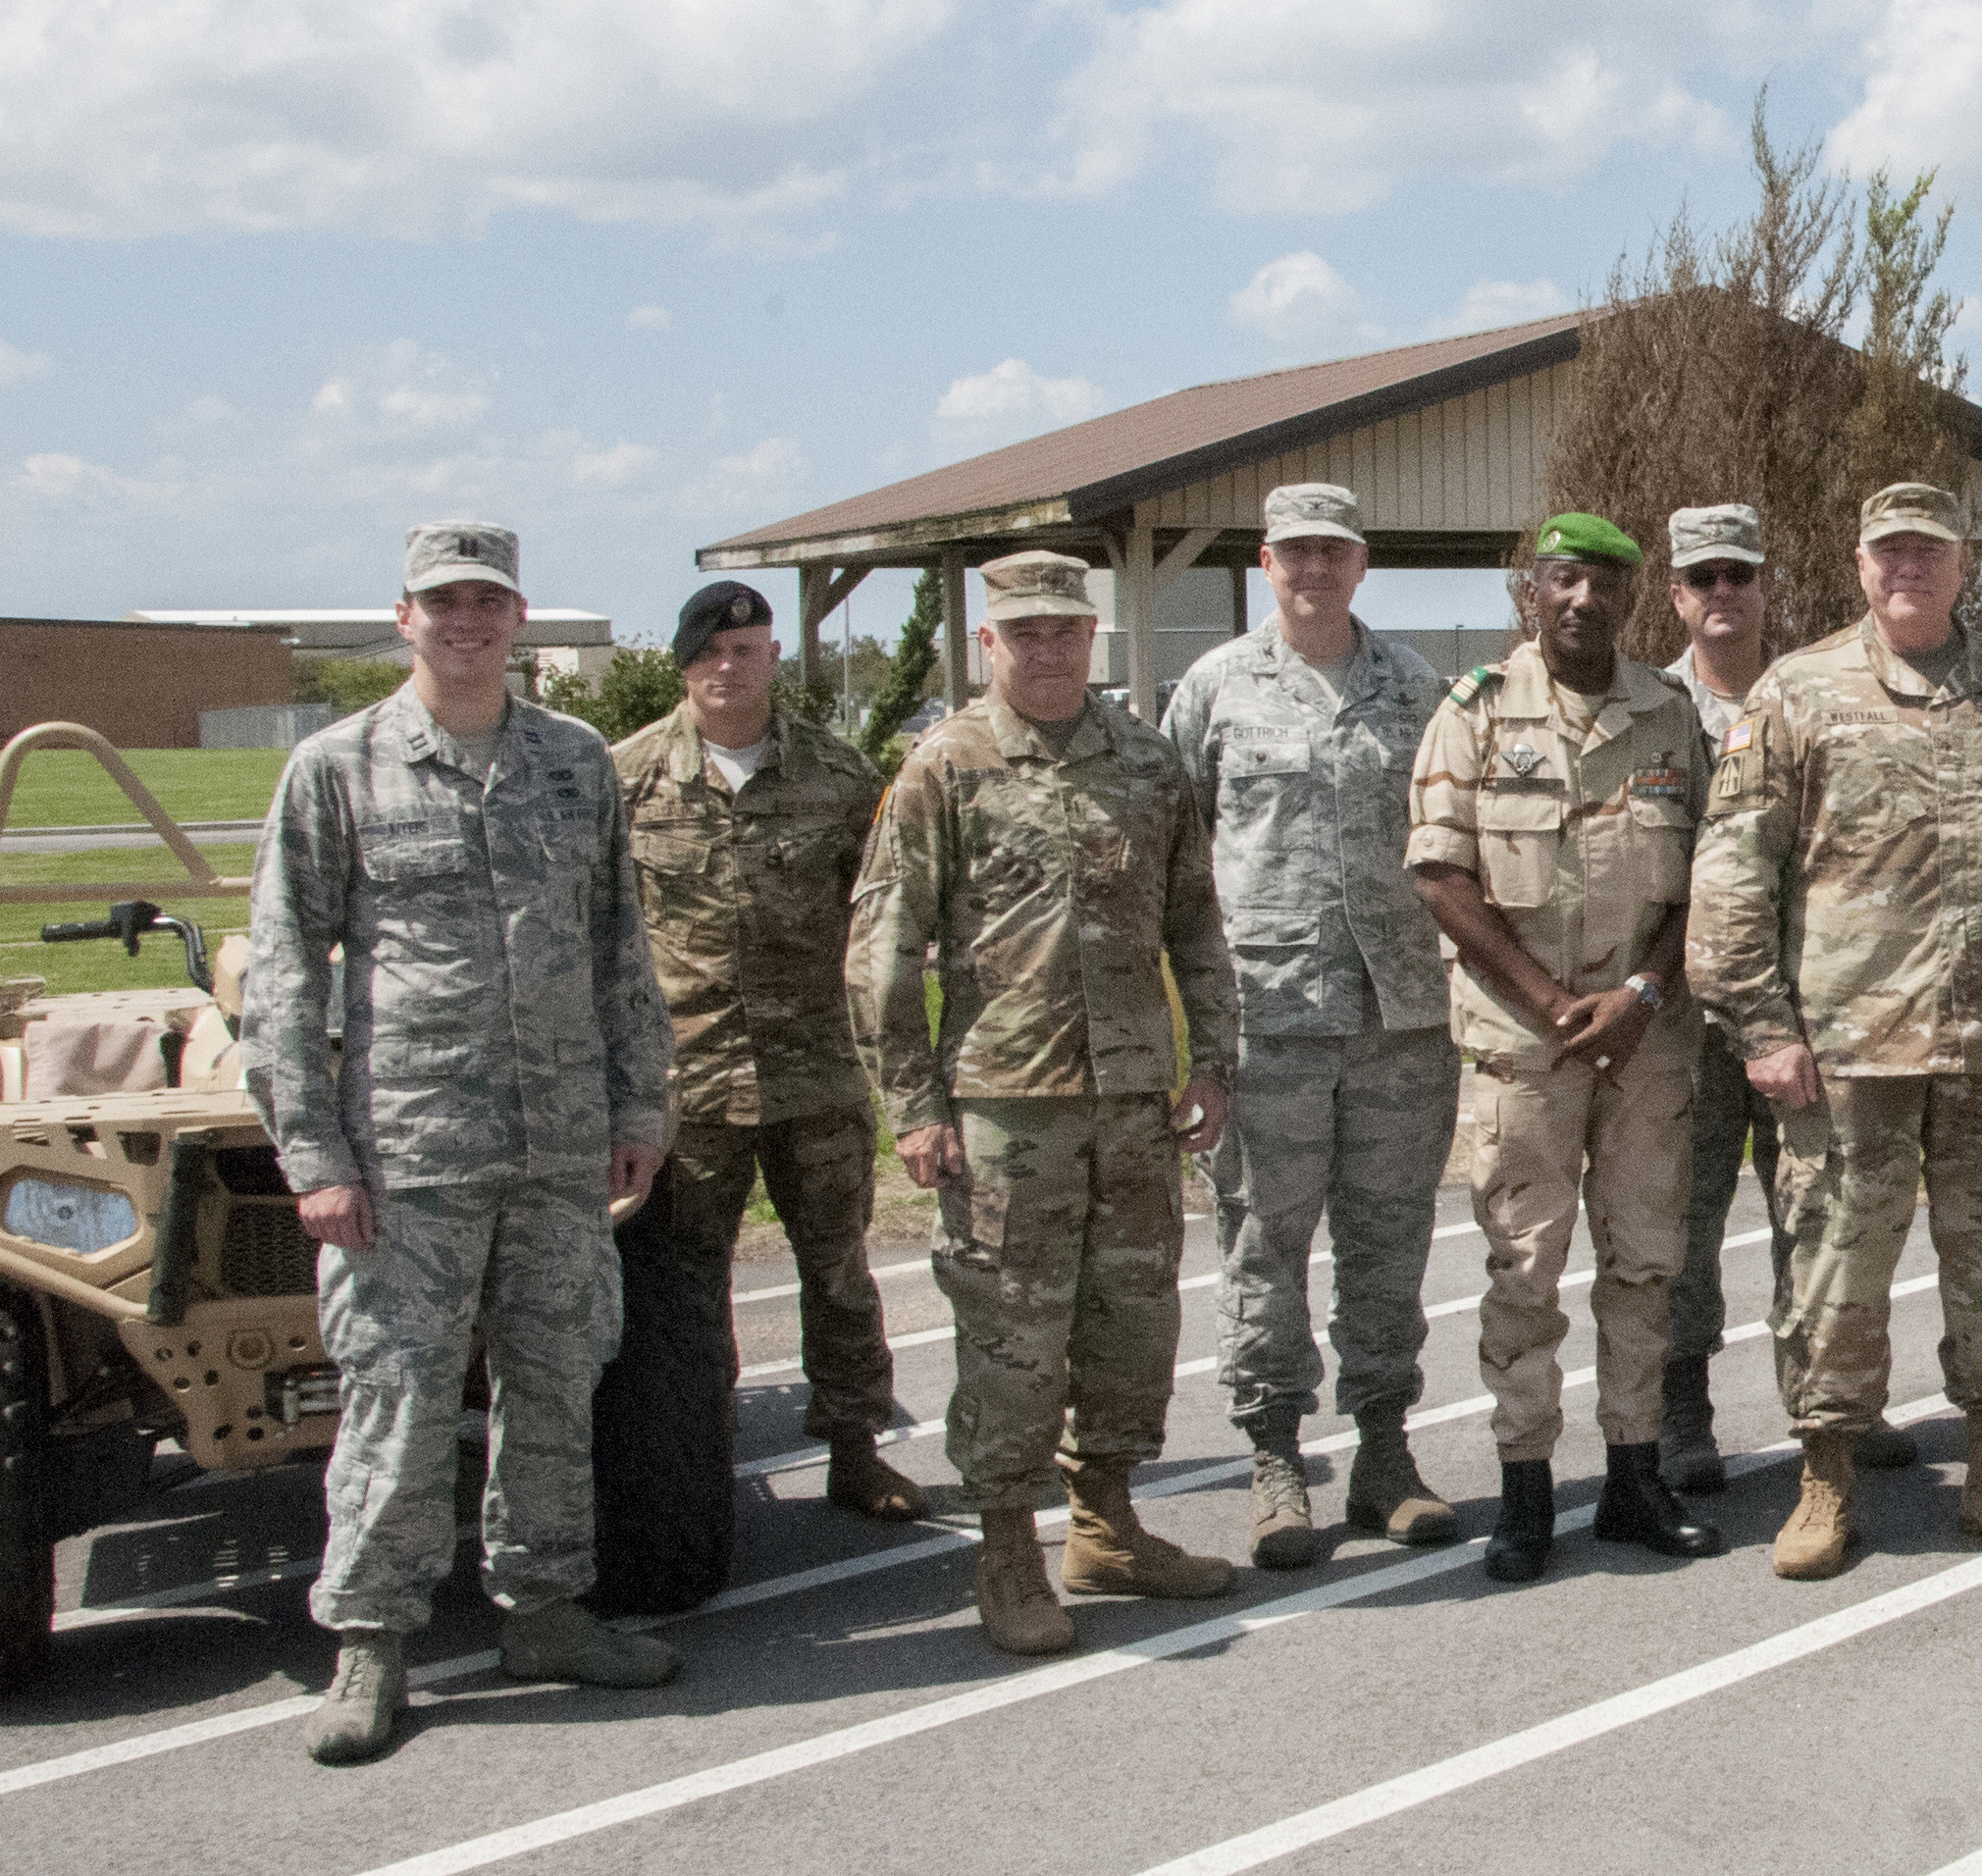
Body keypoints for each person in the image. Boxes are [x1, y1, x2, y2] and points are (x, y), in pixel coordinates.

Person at [244, 522, 679, 1767]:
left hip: (556, 1149)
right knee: (399, 1395)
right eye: (445, 603)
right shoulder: (340, 768)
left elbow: (619, 948)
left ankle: (546, 1609)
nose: (468, 622)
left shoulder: (576, 763)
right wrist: (313, 1155)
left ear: (518, 615)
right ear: (405, 617)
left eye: (488, 601)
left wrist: (637, 1107)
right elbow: (282, 973)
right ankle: (372, 1641)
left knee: (556, 1381)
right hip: (410, 1155)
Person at [848, 550, 1243, 1658]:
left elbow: (1196, 926)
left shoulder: (1148, 763)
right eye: (1025, 633)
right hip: (1005, 1108)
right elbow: (883, 947)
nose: (1049, 649)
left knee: (1130, 1323)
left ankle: (1107, 1525)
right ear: (989, 644)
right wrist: (912, 1104)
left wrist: (1211, 1059)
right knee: (1014, 1338)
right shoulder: (946, 766)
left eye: (1067, 629)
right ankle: (1008, 1550)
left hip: (1132, 1104)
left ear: (1093, 636)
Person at [1689, 481, 1982, 1582]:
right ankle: (1825, 1482)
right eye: (1888, 552)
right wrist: (1760, 1022)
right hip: (1840, 1048)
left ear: (1966, 567)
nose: (1908, 568)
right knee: (1831, 1274)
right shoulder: (1798, 690)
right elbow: (1729, 868)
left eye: (1930, 552)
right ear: (1860, 566)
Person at [1408, 513, 1724, 1583]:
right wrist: (1548, 998)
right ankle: (1528, 1490)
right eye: (1563, 581)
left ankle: (1635, 1474)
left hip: (1646, 1038)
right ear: (1530, 593)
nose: (1583, 599)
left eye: (1603, 584)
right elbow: (1441, 874)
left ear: (1631, 600)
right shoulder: (1476, 714)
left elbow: (1712, 874)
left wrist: (1642, 987)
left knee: (1644, 1264)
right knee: (1525, 1269)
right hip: (1521, 1041)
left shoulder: (1668, 713)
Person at [1163, 483, 1465, 1570]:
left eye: (1331, 551)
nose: (1314, 570)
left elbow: (1449, 836)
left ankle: (1385, 1453)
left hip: (1399, 1018)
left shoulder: (1415, 686)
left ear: (1361, 560)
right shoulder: (1215, 688)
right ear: (1265, 562)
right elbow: (1176, 854)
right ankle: (1276, 1460)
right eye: (1295, 553)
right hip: (1268, 1019)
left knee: (1389, 1246)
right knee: (1264, 1242)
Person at [606, 579, 911, 1626]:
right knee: (688, 1292)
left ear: (774, 656)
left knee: (838, 1268)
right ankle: (703, 1460)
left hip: (815, 1068)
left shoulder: (836, 772)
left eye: (746, 647)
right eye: (709, 650)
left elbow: (875, 917)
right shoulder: (627, 779)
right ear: (685, 664)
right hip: (685, 1082)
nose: (728, 666)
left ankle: (858, 1451)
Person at [1651, 503, 1896, 1494]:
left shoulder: (1815, 693)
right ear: (1676, 593)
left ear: (1766, 586)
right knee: (1683, 1222)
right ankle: (1680, 1412)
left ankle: (1830, 1403)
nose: (1722, 593)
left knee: (1821, 1212)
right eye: (1703, 577)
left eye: (1738, 575)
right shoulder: (1649, 709)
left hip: (1811, 1008)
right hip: (1682, 1018)